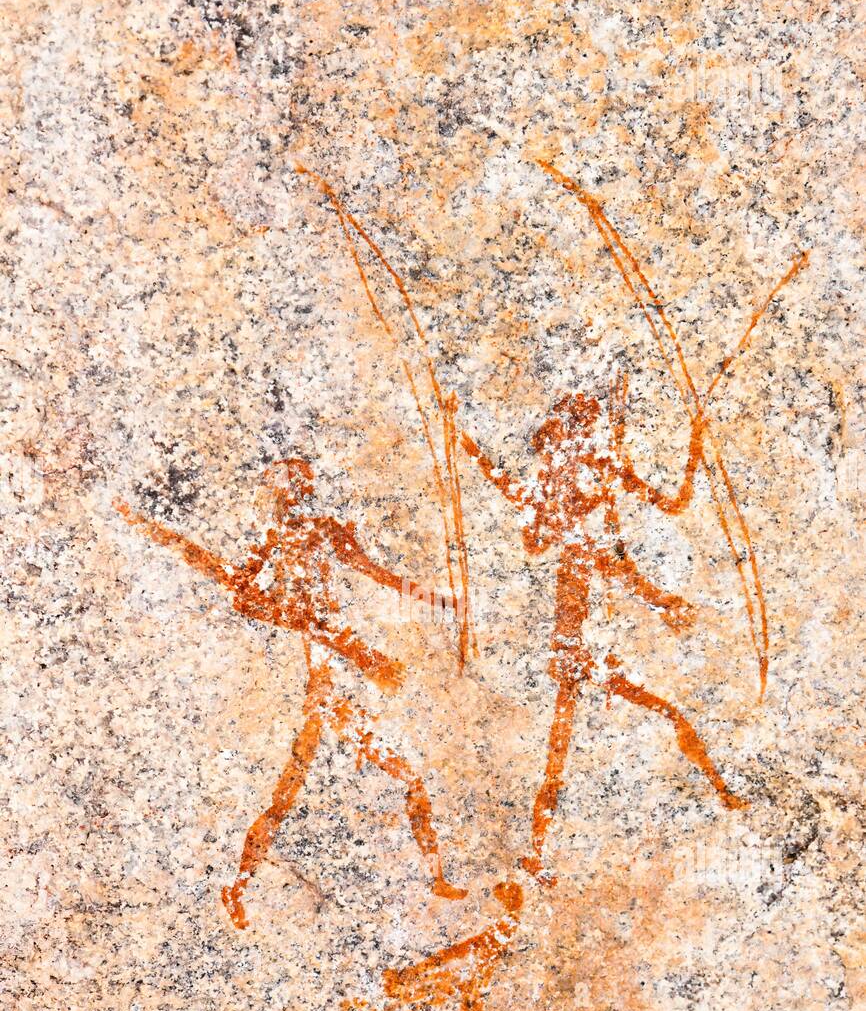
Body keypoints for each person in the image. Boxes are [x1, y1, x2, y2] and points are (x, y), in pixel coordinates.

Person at [115, 458, 466, 928]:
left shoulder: (324, 530)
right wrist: (338, 639)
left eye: (300, 481)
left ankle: (434, 877)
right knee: (314, 790)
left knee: (312, 790)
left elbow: (373, 571)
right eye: (287, 483)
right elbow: (243, 596)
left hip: (331, 680)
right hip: (323, 686)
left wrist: (433, 599)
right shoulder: (275, 539)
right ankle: (238, 886)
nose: (294, 491)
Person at [461, 378, 746, 883]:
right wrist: (472, 450)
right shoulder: (569, 496)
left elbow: (672, 506)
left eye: (590, 423)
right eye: (582, 425)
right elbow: (576, 546)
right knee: (572, 746)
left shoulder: (599, 477)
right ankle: (539, 848)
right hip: (577, 646)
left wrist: (694, 439)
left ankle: (540, 849)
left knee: (575, 744)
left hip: (595, 641)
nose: (586, 435)